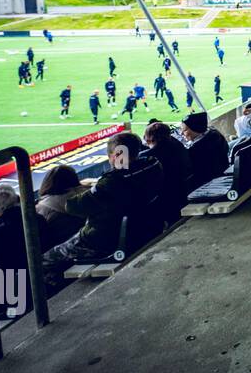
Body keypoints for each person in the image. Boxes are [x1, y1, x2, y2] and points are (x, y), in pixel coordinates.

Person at [41, 133, 146, 287]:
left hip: (100, 240)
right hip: (137, 229)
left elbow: (74, 207)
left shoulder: (111, 182)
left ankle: (55, 291)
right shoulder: (150, 165)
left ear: (116, 155)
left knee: (41, 261)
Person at [140, 120, 191, 222]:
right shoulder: (178, 146)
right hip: (183, 192)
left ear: (149, 139)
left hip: (165, 200)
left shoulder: (147, 157)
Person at [35, 165, 87, 250]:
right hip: (87, 242)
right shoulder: (89, 194)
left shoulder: (41, 208)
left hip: (65, 249)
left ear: (47, 183)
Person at [180, 111, 229, 190]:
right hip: (221, 172)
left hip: (209, 184)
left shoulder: (195, 149)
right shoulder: (215, 134)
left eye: (185, 130)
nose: (181, 133)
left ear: (195, 129)